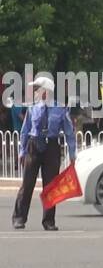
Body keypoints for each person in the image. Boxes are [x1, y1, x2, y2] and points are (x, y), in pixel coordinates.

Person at [12, 76, 76, 231]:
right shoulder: (32, 108)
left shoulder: (61, 108)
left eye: (37, 89)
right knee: (27, 184)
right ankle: (19, 218)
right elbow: (25, 131)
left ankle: (49, 221)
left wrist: (73, 154)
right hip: (34, 145)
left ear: (46, 91)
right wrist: (22, 150)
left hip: (52, 147)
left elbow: (69, 132)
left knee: (50, 186)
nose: (35, 92)